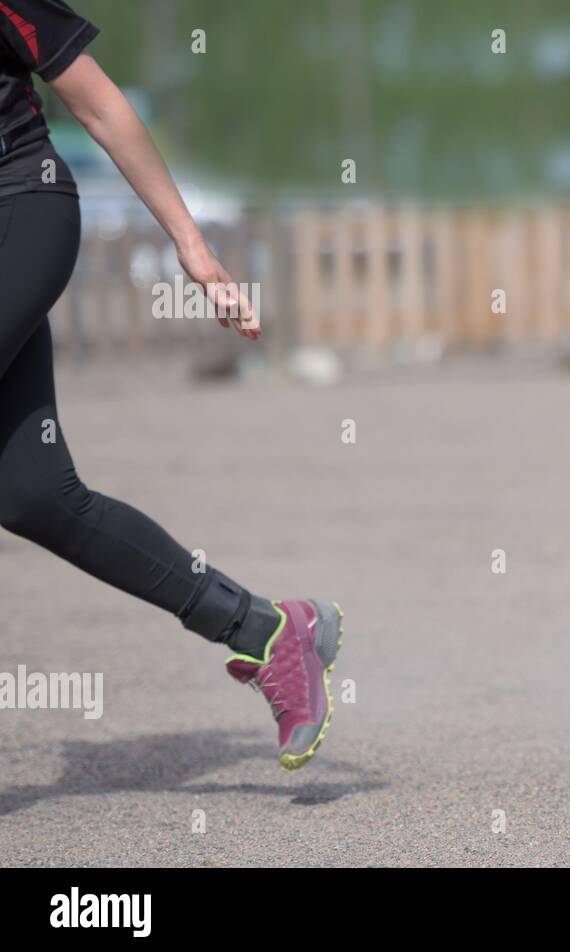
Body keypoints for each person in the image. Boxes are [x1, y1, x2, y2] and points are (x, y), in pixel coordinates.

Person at [0, 0, 341, 769]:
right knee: (34, 495)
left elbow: (100, 104)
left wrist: (191, 245)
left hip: (20, 212)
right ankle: (266, 633)